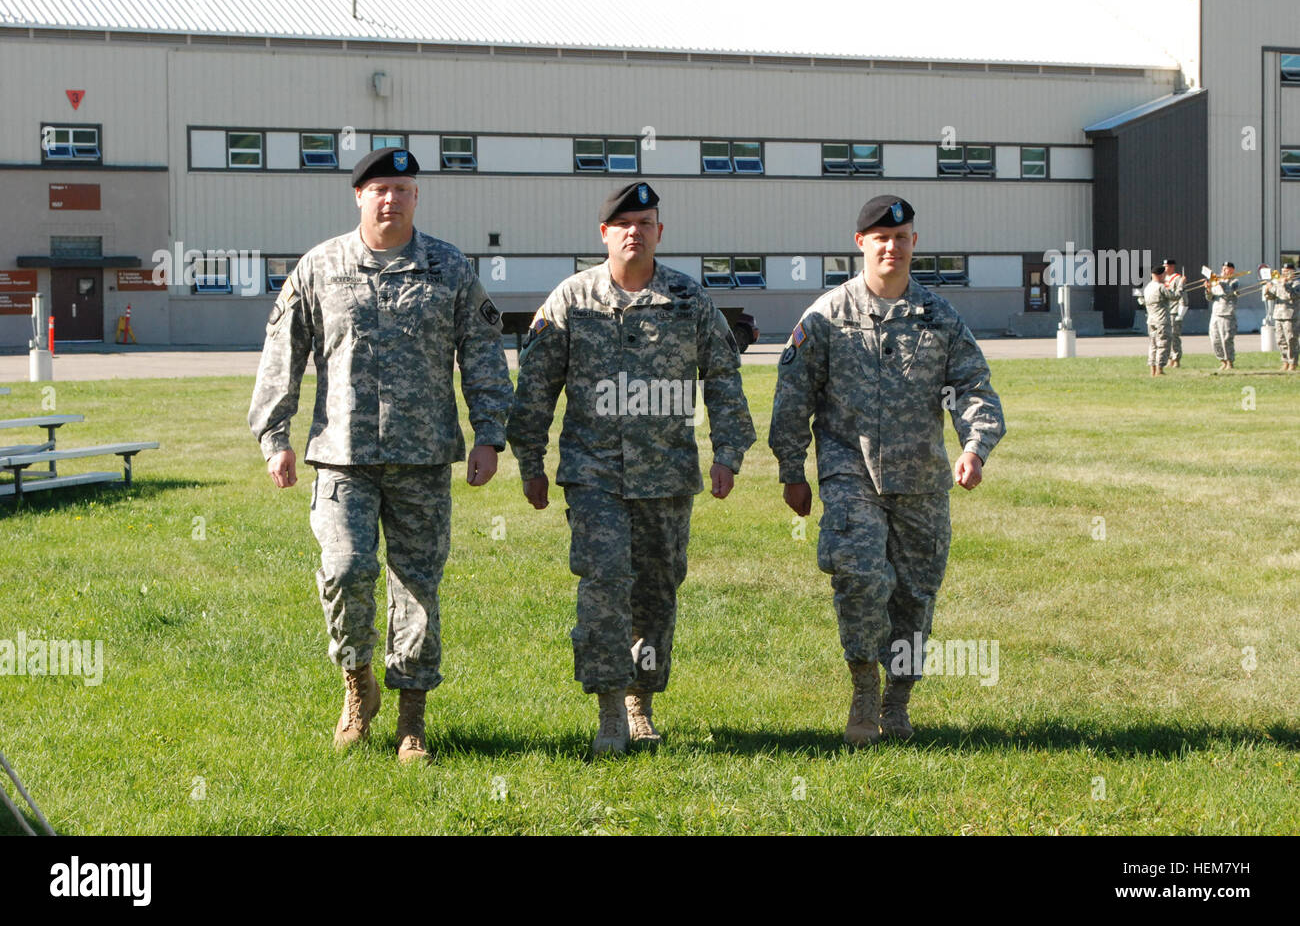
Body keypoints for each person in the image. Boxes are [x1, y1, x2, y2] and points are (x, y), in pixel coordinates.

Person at [248, 147, 512, 763]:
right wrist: (274, 437)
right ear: (358, 197)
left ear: (416, 197)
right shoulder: (320, 267)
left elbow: (481, 353)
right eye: (378, 189)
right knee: (344, 570)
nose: (389, 199)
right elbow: (281, 351)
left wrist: (490, 434)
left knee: (417, 586)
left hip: (423, 459)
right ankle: (356, 685)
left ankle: (411, 719)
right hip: (342, 456)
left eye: (402, 188)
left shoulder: (447, 267)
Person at [506, 182, 755, 756]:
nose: (634, 232)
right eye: (623, 224)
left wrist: (728, 453)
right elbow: (537, 388)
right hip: (593, 475)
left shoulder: (689, 301)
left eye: (645, 223)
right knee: (604, 586)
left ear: (659, 232)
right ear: (604, 234)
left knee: (657, 591)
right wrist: (530, 461)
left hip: (667, 476)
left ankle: (642, 698)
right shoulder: (571, 300)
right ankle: (610, 708)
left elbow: (722, 377)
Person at [768, 195, 1004, 746]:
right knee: (860, 578)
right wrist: (791, 468)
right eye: (881, 238)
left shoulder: (939, 317)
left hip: (922, 479)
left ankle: (898, 702)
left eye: (901, 238)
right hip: (851, 475)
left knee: (915, 597)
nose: (892, 247)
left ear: (913, 243)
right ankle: (864, 689)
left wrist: (975, 445)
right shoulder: (827, 317)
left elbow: (973, 387)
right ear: (861, 244)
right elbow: (792, 395)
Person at [1263, 262, 1299, 370]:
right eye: (1283, 272)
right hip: (1278, 314)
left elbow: (1290, 296)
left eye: (1287, 272)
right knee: (1280, 340)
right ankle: (1285, 361)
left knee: (1291, 340)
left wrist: (1283, 285)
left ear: (1293, 272)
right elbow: (1271, 297)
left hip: (1290, 315)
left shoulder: (1296, 283)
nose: (1284, 274)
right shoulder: (1278, 282)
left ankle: (1293, 362)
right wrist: (1267, 289)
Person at [1142, 264, 1177, 376]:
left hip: (1151, 320)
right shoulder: (1161, 287)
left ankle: (1152, 370)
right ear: (1161, 275)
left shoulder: (1148, 287)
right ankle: (1160, 369)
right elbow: (1175, 296)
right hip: (1162, 320)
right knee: (1163, 344)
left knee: (1153, 345)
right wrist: (1181, 287)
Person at [1207, 262, 1240, 370]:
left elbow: (1228, 292)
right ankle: (1222, 360)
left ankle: (1230, 361)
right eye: (1223, 269)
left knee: (1226, 339)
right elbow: (1210, 297)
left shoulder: (1235, 281)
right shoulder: (1216, 281)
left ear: (1232, 270)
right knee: (1215, 339)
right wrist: (1208, 288)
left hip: (1227, 313)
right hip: (1216, 313)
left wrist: (1218, 283)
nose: (1224, 271)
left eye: (1227, 269)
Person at [1164, 259, 1187, 368]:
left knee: (1174, 336)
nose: (1165, 268)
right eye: (1164, 266)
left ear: (1172, 267)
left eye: (1167, 266)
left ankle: (1176, 359)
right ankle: (1169, 358)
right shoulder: (1163, 279)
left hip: (1174, 311)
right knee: (1166, 336)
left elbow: (1183, 296)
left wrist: (1181, 313)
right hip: (1165, 311)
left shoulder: (1178, 278)